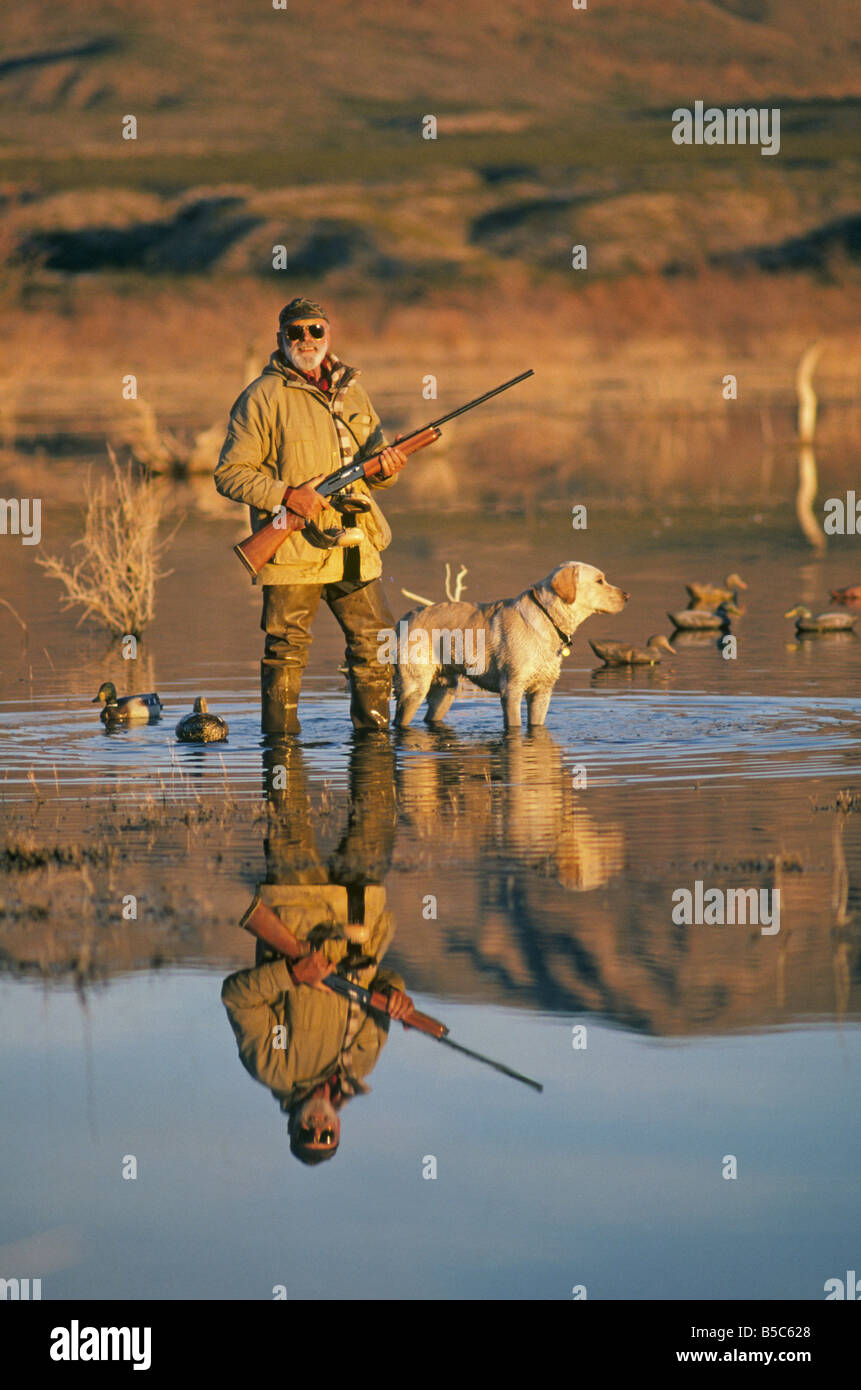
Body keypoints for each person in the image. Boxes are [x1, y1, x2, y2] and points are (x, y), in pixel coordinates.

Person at [214, 296, 408, 733]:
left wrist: (389, 468)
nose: (306, 339)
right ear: (280, 339)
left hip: (355, 542)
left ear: (328, 334)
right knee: (286, 649)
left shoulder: (354, 390)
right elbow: (229, 475)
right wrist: (287, 495)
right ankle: (281, 757)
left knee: (376, 641)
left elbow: (376, 472)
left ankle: (374, 753)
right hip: (292, 547)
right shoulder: (261, 397)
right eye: (295, 332)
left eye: (314, 330)